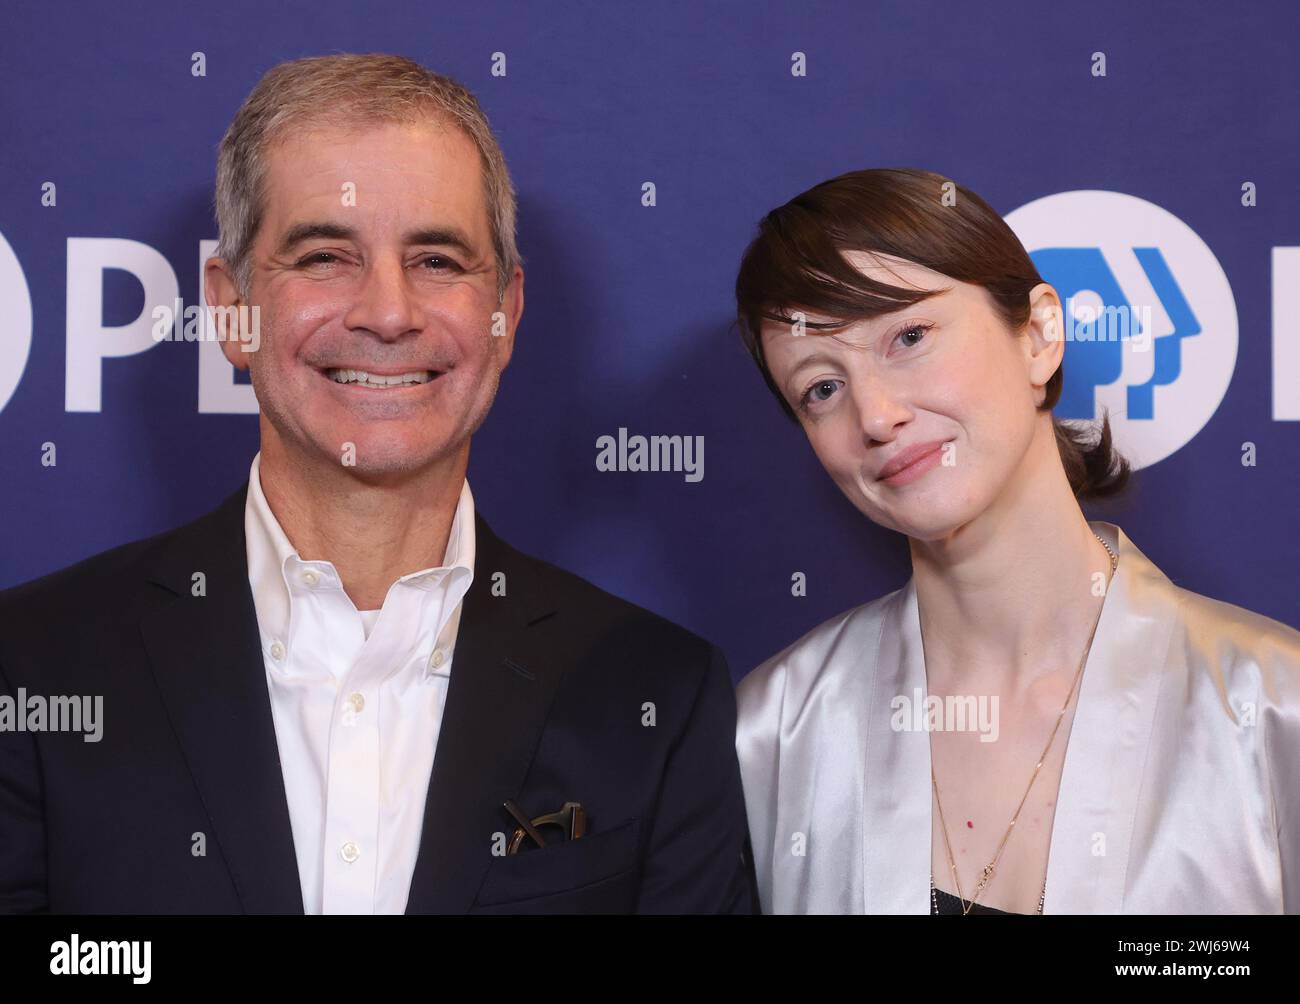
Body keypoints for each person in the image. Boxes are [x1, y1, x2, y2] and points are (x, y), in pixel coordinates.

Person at [0, 53, 757, 915]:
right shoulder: (29, 670)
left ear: (504, 312)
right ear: (229, 309)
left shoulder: (657, 696)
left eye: (437, 260)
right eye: (325, 256)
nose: (388, 313)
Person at [730, 167, 1300, 915]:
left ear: (1038, 335)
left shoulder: (1270, 708)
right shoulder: (775, 731)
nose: (875, 413)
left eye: (909, 336)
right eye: (822, 389)